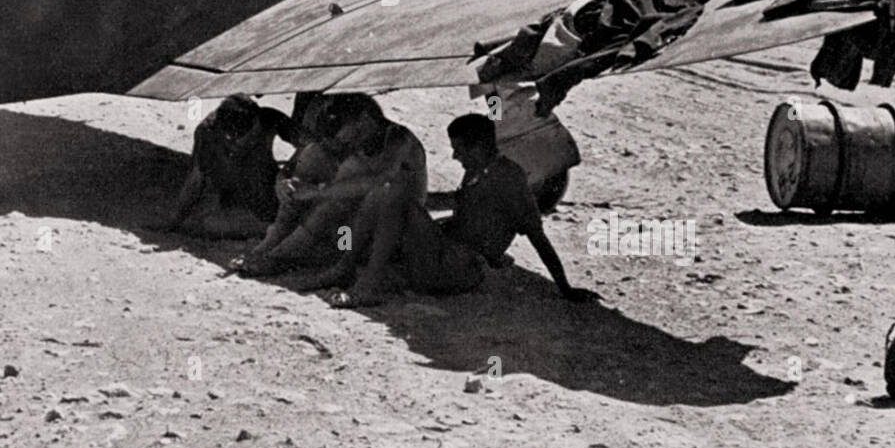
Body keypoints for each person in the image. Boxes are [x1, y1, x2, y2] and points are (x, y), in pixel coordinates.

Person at [324, 113, 597, 307]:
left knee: (392, 194)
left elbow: (538, 236)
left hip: (459, 268)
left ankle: (366, 288)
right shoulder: (478, 170)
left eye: (459, 150)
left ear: (479, 148)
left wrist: (565, 288)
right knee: (385, 196)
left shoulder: (509, 179)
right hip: (446, 254)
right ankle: (343, 268)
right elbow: (461, 206)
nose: (455, 157)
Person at [233, 95, 426, 277]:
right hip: (348, 224)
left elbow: (375, 183)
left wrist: (317, 192)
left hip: (387, 232)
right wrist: (285, 184)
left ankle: (287, 256)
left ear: (364, 120)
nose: (346, 144)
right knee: (314, 155)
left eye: (347, 138)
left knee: (335, 205)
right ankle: (273, 243)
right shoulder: (358, 138)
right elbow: (301, 161)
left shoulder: (399, 140)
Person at [167, 94, 298, 238]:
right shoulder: (207, 131)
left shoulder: (269, 118)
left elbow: (311, 144)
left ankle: (278, 227)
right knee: (210, 224)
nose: (239, 145)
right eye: (233, 142)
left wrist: (285, 173)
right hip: (235, 203)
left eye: (249, 137)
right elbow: (195, 180)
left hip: (270, 193)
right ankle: (277, 228)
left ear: (256, 121)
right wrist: (174, 222)